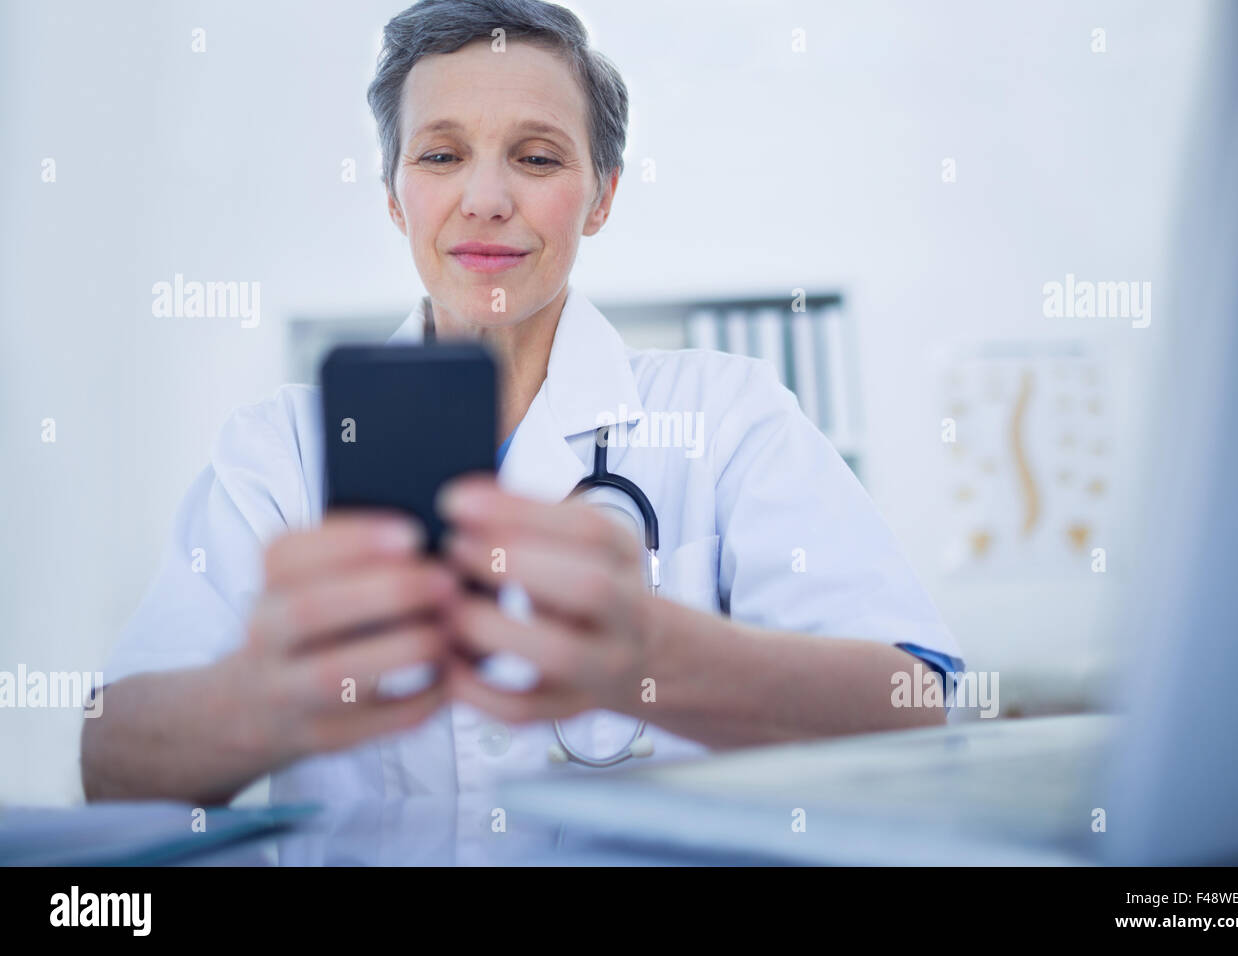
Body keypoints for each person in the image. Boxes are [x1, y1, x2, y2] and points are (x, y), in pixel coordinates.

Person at [82, 0, 962, 836]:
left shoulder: (727, 416)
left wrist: (651, 656)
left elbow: (920, 709)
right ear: (394, 197)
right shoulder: (276, 451)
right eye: (439, 156)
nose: (486, 197)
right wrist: (269, 693)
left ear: (602, 195)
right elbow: (113, 763)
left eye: (538, 158)